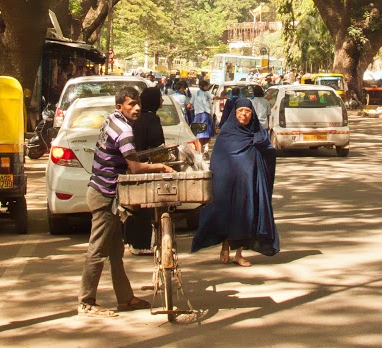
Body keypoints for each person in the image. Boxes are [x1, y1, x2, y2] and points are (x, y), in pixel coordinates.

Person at [79, 85, 174, 318]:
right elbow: (134, 166)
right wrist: (160, 166)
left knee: (115, 252)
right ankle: (86, 302)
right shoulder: (124, 130)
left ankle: (125, 298)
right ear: (120, 106)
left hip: (103, 192)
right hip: (104, 195)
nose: (137, 108)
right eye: (132, 104)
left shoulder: (112, 120)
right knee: (97, 251)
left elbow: (127, 157)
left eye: (138, 103)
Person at [191, 101, 279, 266]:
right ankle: (225, 244)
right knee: (225, 214)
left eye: (247, 111)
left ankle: (238, 253)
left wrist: (264, 149)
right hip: (227, 184)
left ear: (252, 114)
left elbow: (268, 152)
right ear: (234, 113)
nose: (244, 115)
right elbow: (217, 161)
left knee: (247, 215)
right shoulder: (226, 133)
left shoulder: (258, 134)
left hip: (248, 183)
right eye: (240, 111)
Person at [125, 85, 168, 255]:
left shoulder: (136, 118)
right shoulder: (152, 119)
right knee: (148, 204)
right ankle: (141, 244)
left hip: (131, 166)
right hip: (145, 166)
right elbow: (157, 145)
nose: (162, 100)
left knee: (136, 205)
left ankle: (132, 242)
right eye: (160, 98)